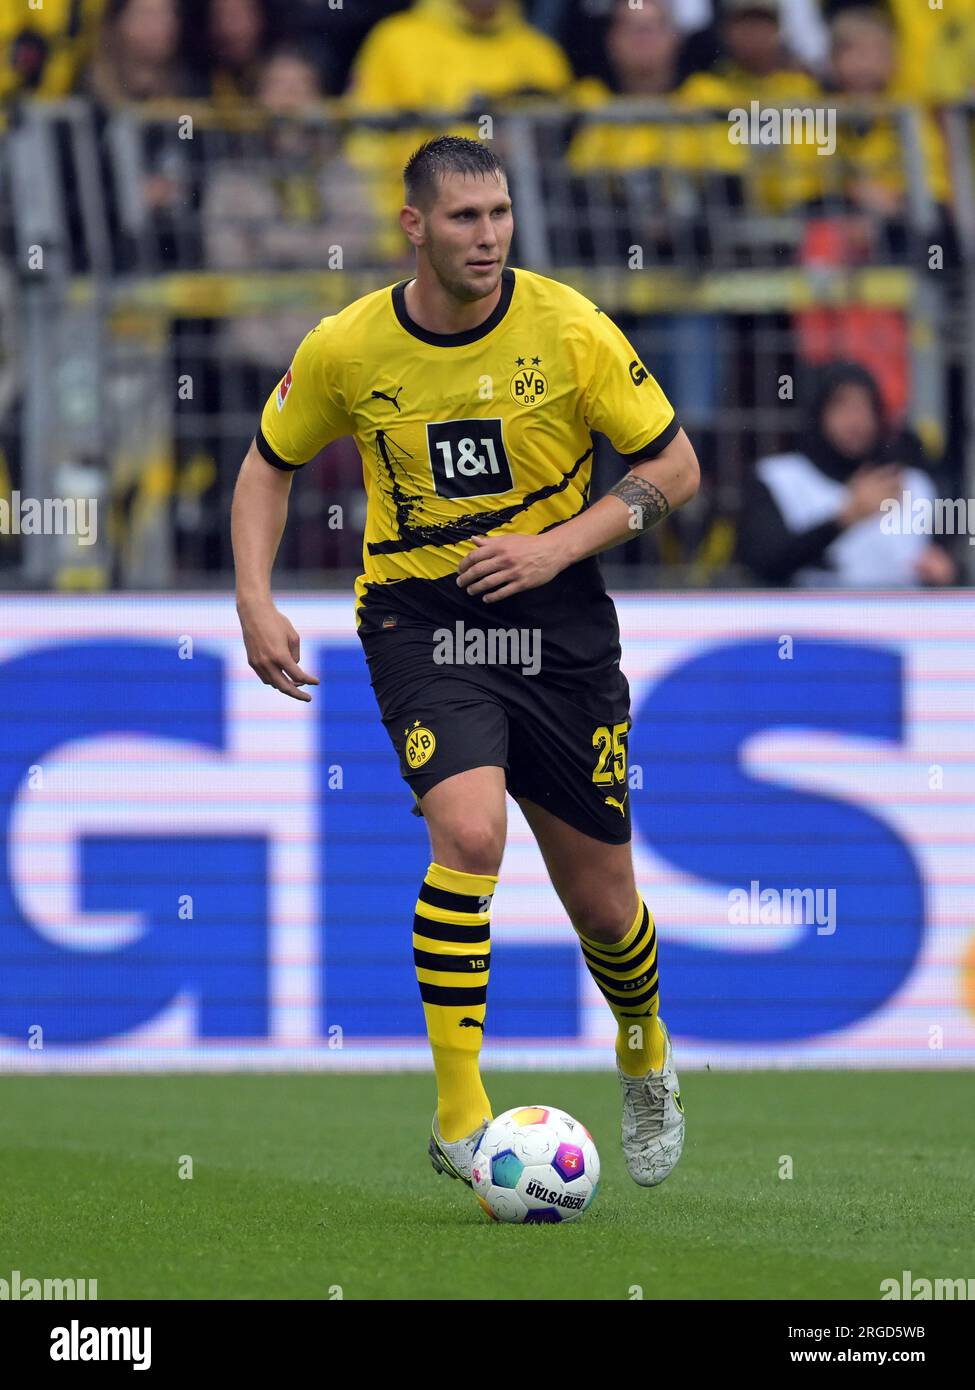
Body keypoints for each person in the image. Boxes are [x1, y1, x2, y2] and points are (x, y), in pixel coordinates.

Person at [231, 136, 699, 1189]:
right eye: (463, 219)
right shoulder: (350, 347)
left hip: (559, 622)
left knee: (605, 907)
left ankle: (645, 1053)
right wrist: (254, 599)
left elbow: (676, 463)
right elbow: (267, 467)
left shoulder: (569, 328)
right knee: (470, 831)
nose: (487, 237)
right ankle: (459, 1113)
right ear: (413, 228)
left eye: (498, 215)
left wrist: (556, 545)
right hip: (422, 620)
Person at [736, 362, 957, 586]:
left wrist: (942, 572)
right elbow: (763, 563)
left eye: (864, 407)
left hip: (901, 618)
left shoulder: (913, 484)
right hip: (805, 618)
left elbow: (942, 562)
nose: (855, 420)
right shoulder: (777, 479)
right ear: (819, 412)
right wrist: (845, 518)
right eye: (841, 407)